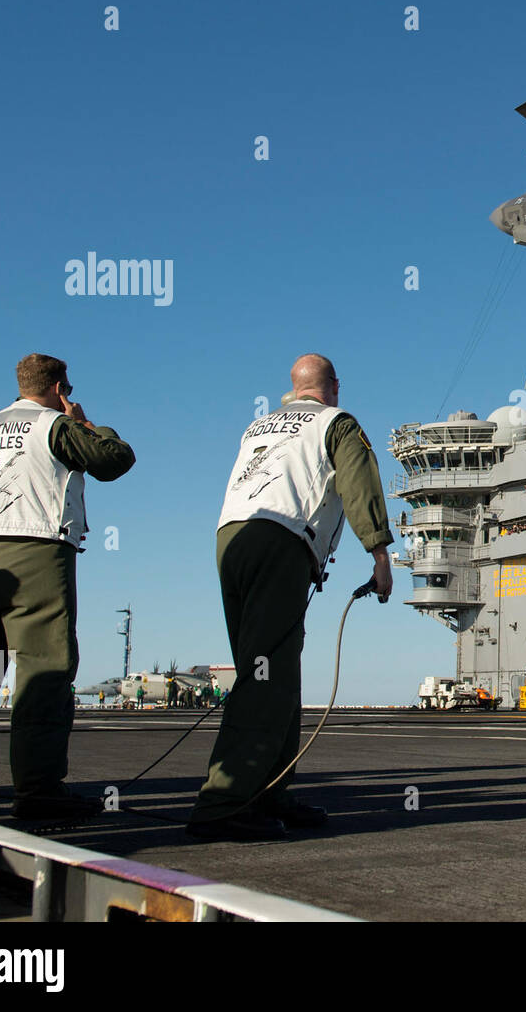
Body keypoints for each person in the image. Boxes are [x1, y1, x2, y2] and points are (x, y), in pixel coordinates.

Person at [187, 354, 393, 842]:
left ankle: (271, 789)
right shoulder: (336, 422)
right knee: (267, 674)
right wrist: (380, 553)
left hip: (230, 540)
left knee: (274, 669)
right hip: (280, 542)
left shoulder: (260, 425)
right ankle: (224, 801)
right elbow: (358, 481)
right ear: (334, 386)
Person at [0, 354, 135, 820]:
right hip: (35, 550)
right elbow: (114, 461)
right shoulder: (52, 425)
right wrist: (90, 424)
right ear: (59, 387)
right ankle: (39, 791)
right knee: (44, 669)